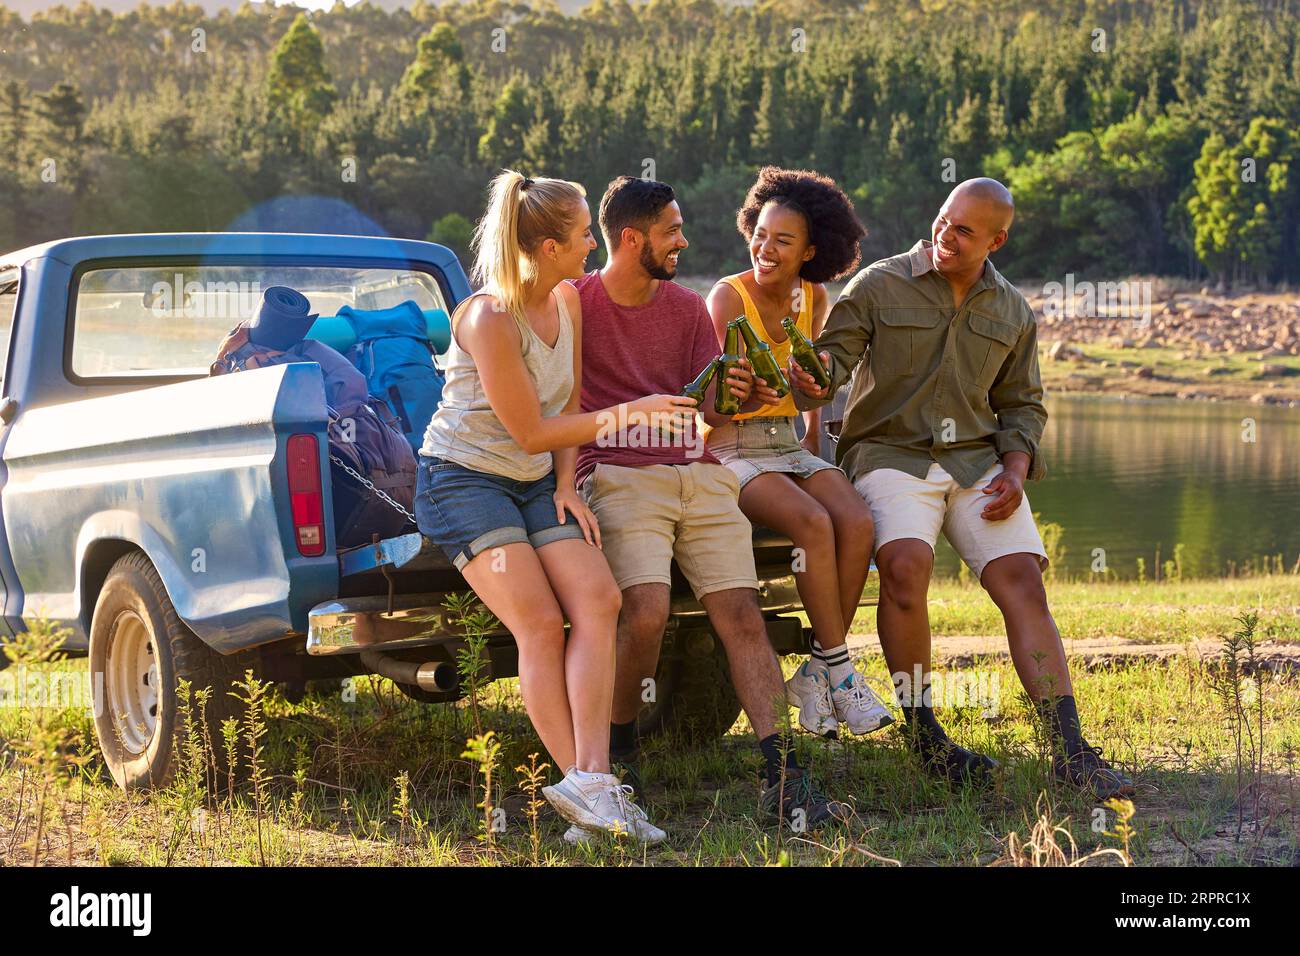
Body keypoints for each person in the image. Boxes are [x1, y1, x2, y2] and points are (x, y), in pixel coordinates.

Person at [789, 178, 1135, 799]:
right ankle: (924, 735)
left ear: (996, 240)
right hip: (889, 452)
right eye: (945, 221)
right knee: (904, 566)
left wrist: (1016, 468)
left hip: (978, 462)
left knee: (1023, 580)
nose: (948, 237)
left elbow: (1023, 405)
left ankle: (1068, 748)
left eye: (967, 232)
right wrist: (807, 376)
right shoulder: (878, 284)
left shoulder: (1012, 310)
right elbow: (828, 366)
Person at [418, 170, 696, 842]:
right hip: (463, 480)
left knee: (599, 601)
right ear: (544, 248)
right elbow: (530, 431)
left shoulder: (567, 300)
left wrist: (567, 485)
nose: (589, 252)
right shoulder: (488, 318)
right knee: (541, 623)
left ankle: (592, 783)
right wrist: (632, 414)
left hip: (540, 478)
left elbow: (566, 404)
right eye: (578, 239)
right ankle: (587, 787)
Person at [575, 175, 851, 830]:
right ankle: (620, 751)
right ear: (632, 238)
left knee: (743, 614)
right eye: (672, 230)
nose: (685, 241)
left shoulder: (684, 311)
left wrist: (747, 391)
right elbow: (555, 407)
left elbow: (713, 409)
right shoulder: (576, 304)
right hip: (617, 471)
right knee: (645, 611)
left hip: (697, 471)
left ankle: (782, 776)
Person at [705, 166, 893, 738]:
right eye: (760, 234)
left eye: (782, 241)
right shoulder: (726, 297)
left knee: (858, 519)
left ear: (810, 250)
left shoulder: (813, 295)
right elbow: (715, 403)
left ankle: (816, 670)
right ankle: (840, 670)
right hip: (733, 449)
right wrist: (749, 395)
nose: (766, 248)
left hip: (790, 444)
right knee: (814, 523)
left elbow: (816, 385)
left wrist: (816, 438)